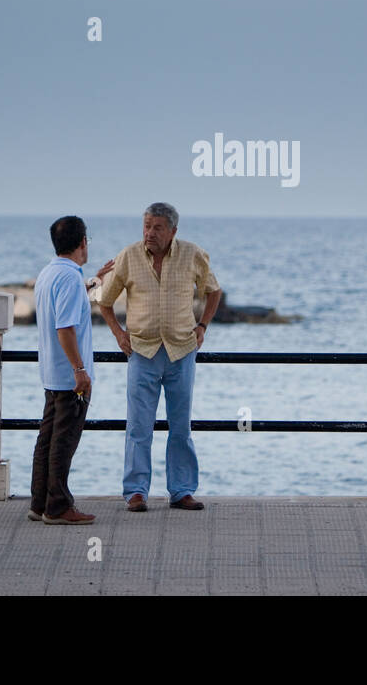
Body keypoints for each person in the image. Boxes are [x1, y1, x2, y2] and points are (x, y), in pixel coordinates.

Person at [98, 203, 222, 512]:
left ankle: (181, 491)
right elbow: (104, 300)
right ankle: (136, 492)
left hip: (181, 351)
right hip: (142, 351)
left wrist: (203, 325)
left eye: (157, 228)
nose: (149, 233)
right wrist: (118, 334)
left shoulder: (193, 254)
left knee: (181, 426)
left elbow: (214, 291)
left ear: (173, 231)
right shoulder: (127, 257)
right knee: (139, 427)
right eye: (146, 226)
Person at [28, 216, 113, 525]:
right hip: (68, 377)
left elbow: (64, 306)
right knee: (63, 441)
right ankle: (58, 506)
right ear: (83, 243)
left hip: (51, 372)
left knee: (47, 439)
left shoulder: (50, 273)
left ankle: (39, 503)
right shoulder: (68, 278)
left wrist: (93, 281)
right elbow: (65, 328)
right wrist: (80, 370)